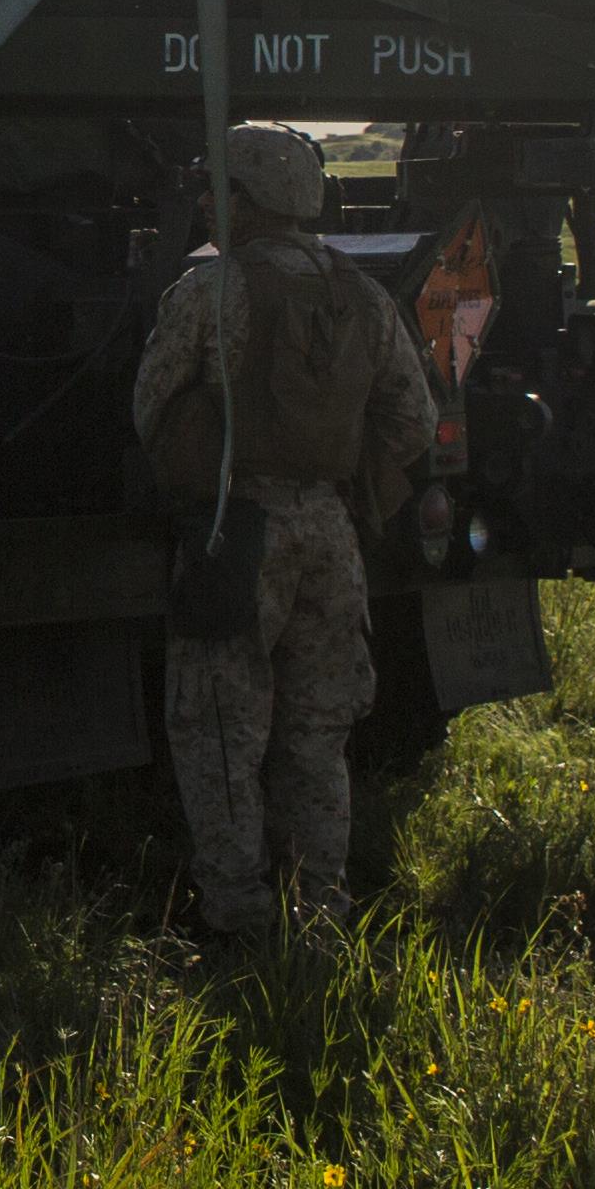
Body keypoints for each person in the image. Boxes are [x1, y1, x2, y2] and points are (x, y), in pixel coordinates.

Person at [131, 120, 442, 941]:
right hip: (332, 537)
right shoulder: (367, 297)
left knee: (223, 734)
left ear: (250, 199)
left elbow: (150, 407)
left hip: (238, 534)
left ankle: (237, 918)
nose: (205, 200)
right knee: (318, 734)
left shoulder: (210, 290)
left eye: (218, 187)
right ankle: (321, 914)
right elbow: (413, 423)